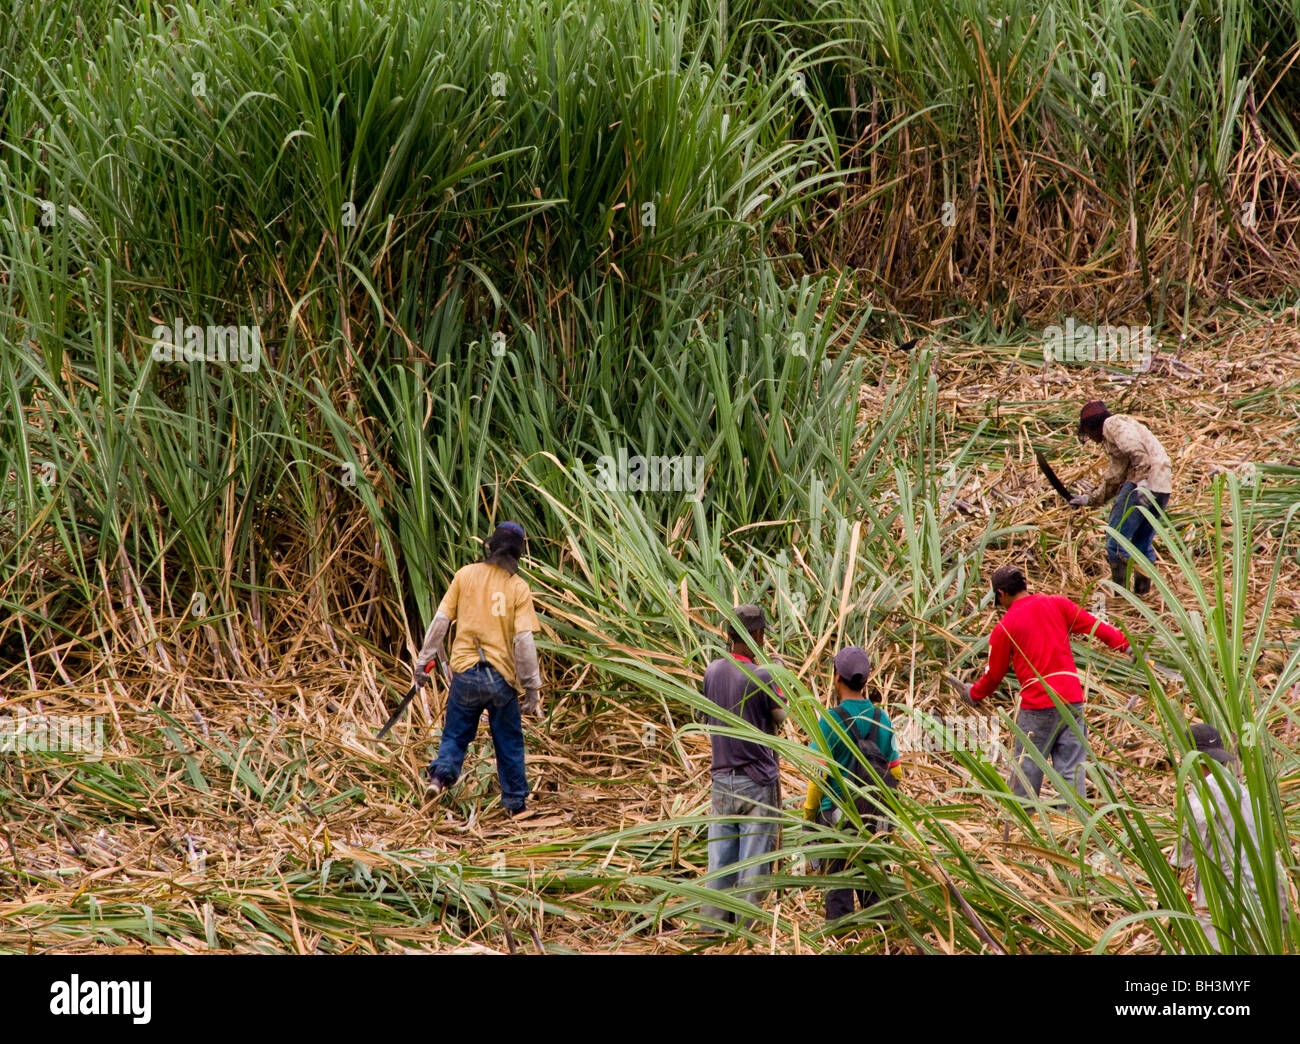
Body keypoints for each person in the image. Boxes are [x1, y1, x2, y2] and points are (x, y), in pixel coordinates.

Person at [954, 565, 1129, 804]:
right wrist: (1125, 644)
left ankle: (1021, 824)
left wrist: (973, 694)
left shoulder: (1005, 627)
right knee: (1072, 769)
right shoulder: (1058, 603)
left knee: (1027, 768)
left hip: (1037, 707)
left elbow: (994, 674)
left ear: (1002, 594)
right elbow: (1094, 625)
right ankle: (1073, 826)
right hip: (1071, 700)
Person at [414, 521, 543, 815]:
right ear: (518, 553)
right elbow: (524, 643)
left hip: (465, 675)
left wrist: (423, 661)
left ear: (490, 545)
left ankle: (438, 778)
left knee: (455, 735)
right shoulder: (518, 588)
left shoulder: (466, 576)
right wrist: (532, 688)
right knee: (508, 743)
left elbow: (441, 621)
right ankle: (515, 805)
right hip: (501, 680)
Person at [699, 604, 786, 927]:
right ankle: (746, 934)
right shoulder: (761, 676)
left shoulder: (712, 671)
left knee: (720, 862)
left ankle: (711, 929)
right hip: (756, 782)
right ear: (757, 635)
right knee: (754, 863)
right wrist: (779, 677)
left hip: (722, 779)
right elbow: (782, 716)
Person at [802, 646, 901, 923]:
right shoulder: (883, 719)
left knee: (838, 883)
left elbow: (817, 776)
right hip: (874, 815)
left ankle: (844, 935)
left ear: (836, 678)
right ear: (866, 680)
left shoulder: (830, 721)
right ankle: (884, 935)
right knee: (875, 881)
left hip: (837, 817)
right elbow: (897, 772)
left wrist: (809, 815)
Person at [1172, 723, 1289, 953]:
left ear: (1192, 759)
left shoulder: (1206, 790)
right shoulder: (1243, 793)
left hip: (1228, 904)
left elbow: (1189, 839)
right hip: (1263, 902)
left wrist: (1172, 873)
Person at [1070, 400, 1173, 595]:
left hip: (1143, 483)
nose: (1091, 438)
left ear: (1094, 427)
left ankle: (1122, 597)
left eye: (1089, 432)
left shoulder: (1113, 424)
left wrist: (1142, 483)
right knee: (1141, 544)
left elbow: (1136, 450)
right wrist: (1089, 500)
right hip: (1161, 485)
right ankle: (1142, 594)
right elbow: (1115, 478)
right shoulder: (1115, 440)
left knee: (1116, 543)